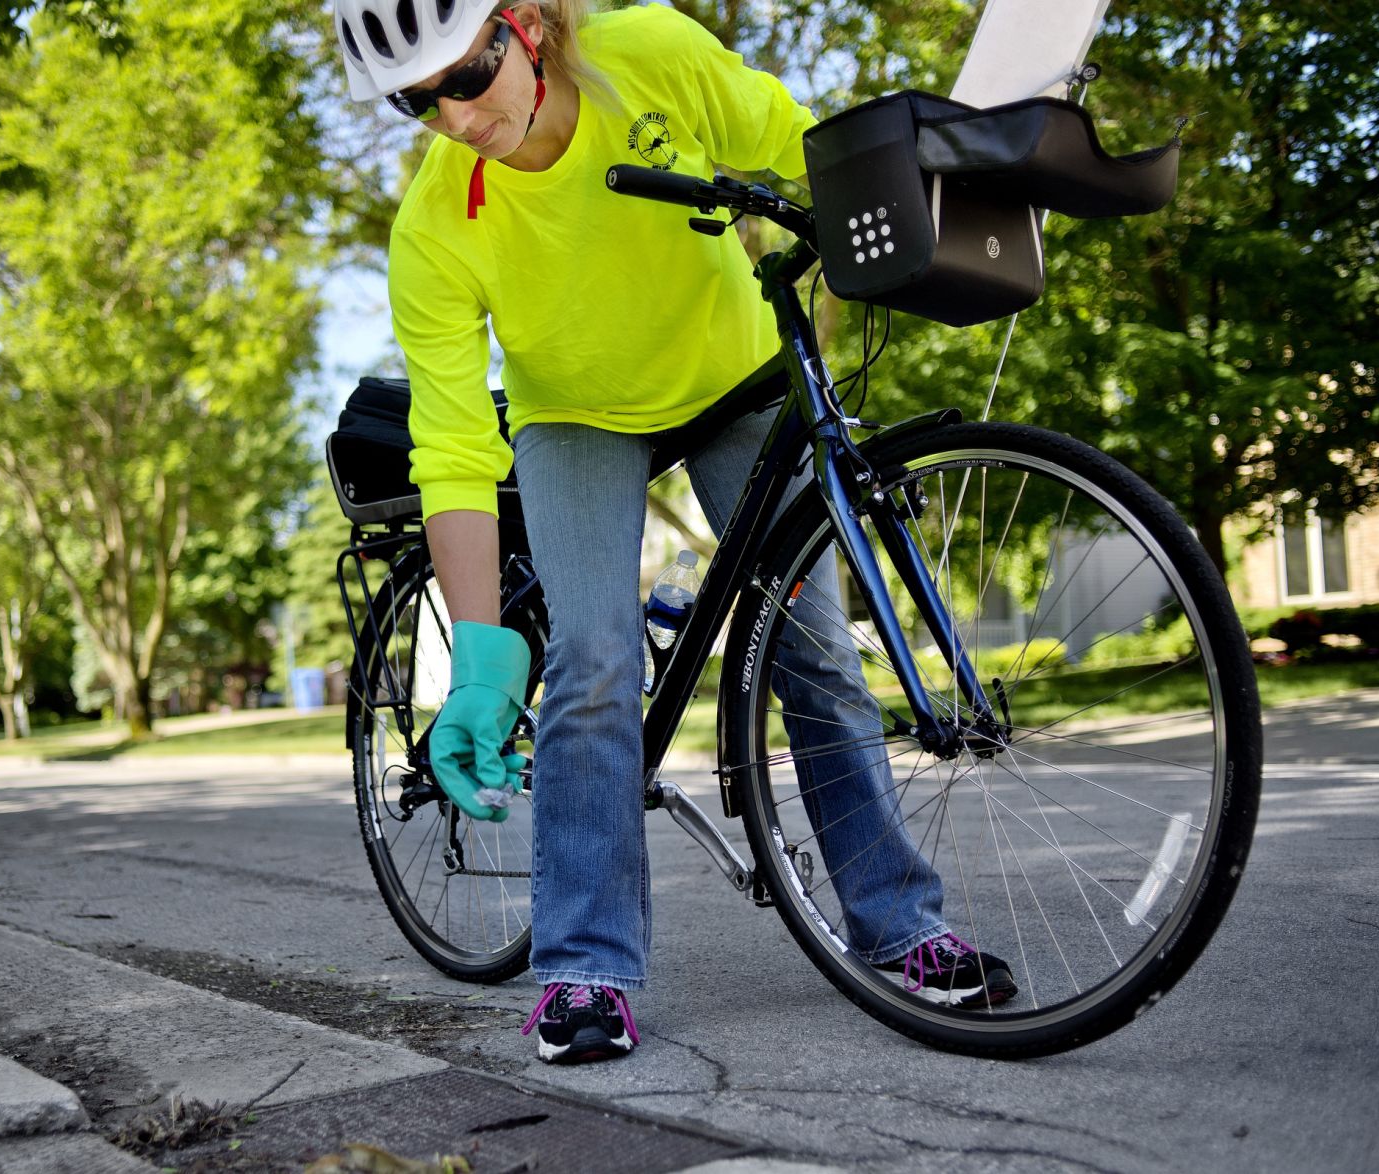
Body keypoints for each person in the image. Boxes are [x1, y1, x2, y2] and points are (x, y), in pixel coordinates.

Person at [333, 0, 1017, 1065]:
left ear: (527, 25)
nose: (453, 119)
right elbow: (456, 452)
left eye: (464, 78)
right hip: (575, 420)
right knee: (595, 661)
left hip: (732, 382)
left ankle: (900, 926)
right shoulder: (433, 228)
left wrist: (938, 190)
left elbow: (795, 139)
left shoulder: (648, 56)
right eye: (414, 101)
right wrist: (475, 660)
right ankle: (586, 968)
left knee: (819, 655)